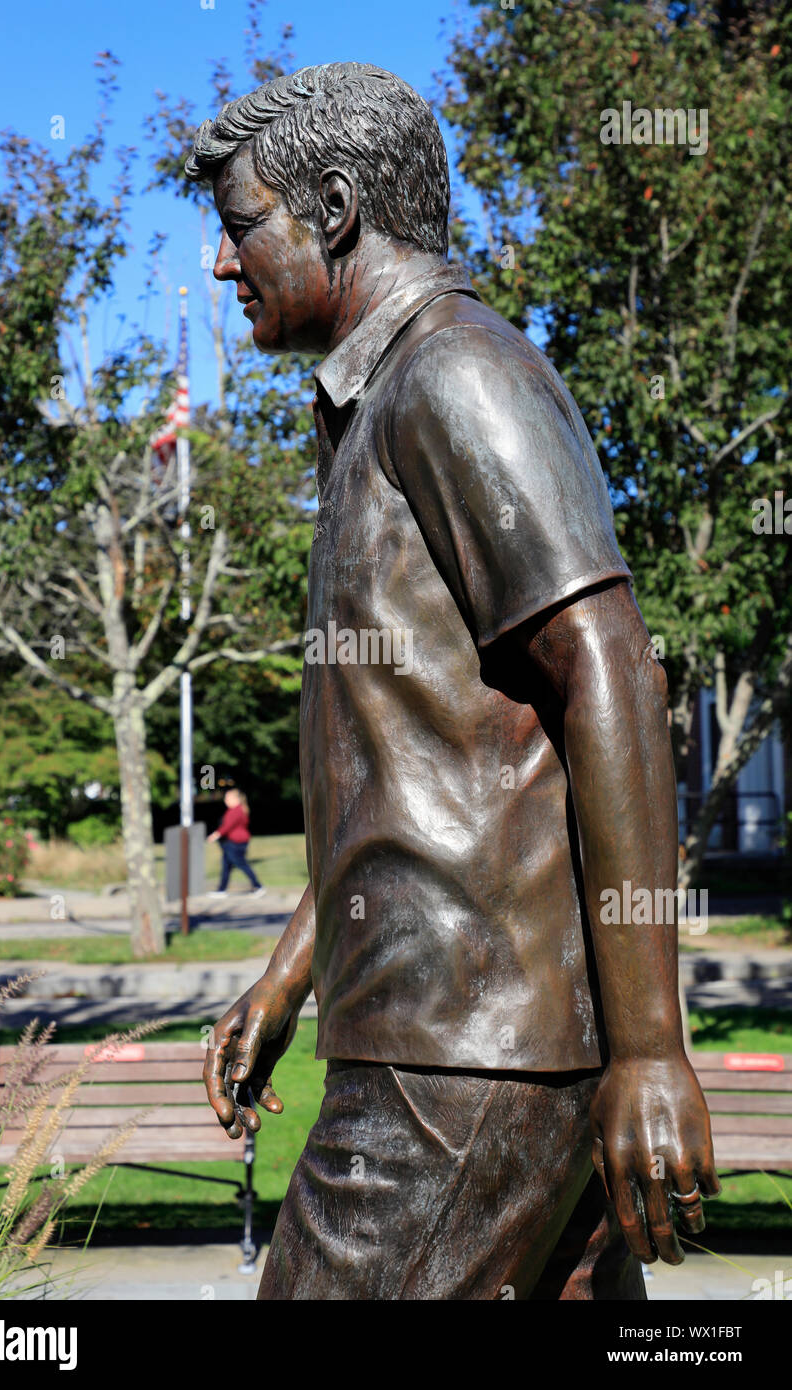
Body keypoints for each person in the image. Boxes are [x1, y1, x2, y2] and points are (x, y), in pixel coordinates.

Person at [189, 62, 718, 1301]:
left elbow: (609, 675)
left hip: (462, 1062)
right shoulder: (378, 403)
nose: (223, 267)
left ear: (331, 210)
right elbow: (421, 770)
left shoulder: (454, 374)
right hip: (464, 1047)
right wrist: (288, 972)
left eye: (238, 226)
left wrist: (650, 1046)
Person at [207, 789, 265, 897]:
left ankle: (258, 886)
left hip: (235, 843)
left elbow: (227, 826)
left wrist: (215, 835)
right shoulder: (238, 810)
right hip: (234, 842)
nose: (225, 800)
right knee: (226, 865)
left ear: (236, 799)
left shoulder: (236, 811)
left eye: (228, 798)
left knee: (241, 864)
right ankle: (221, 890)